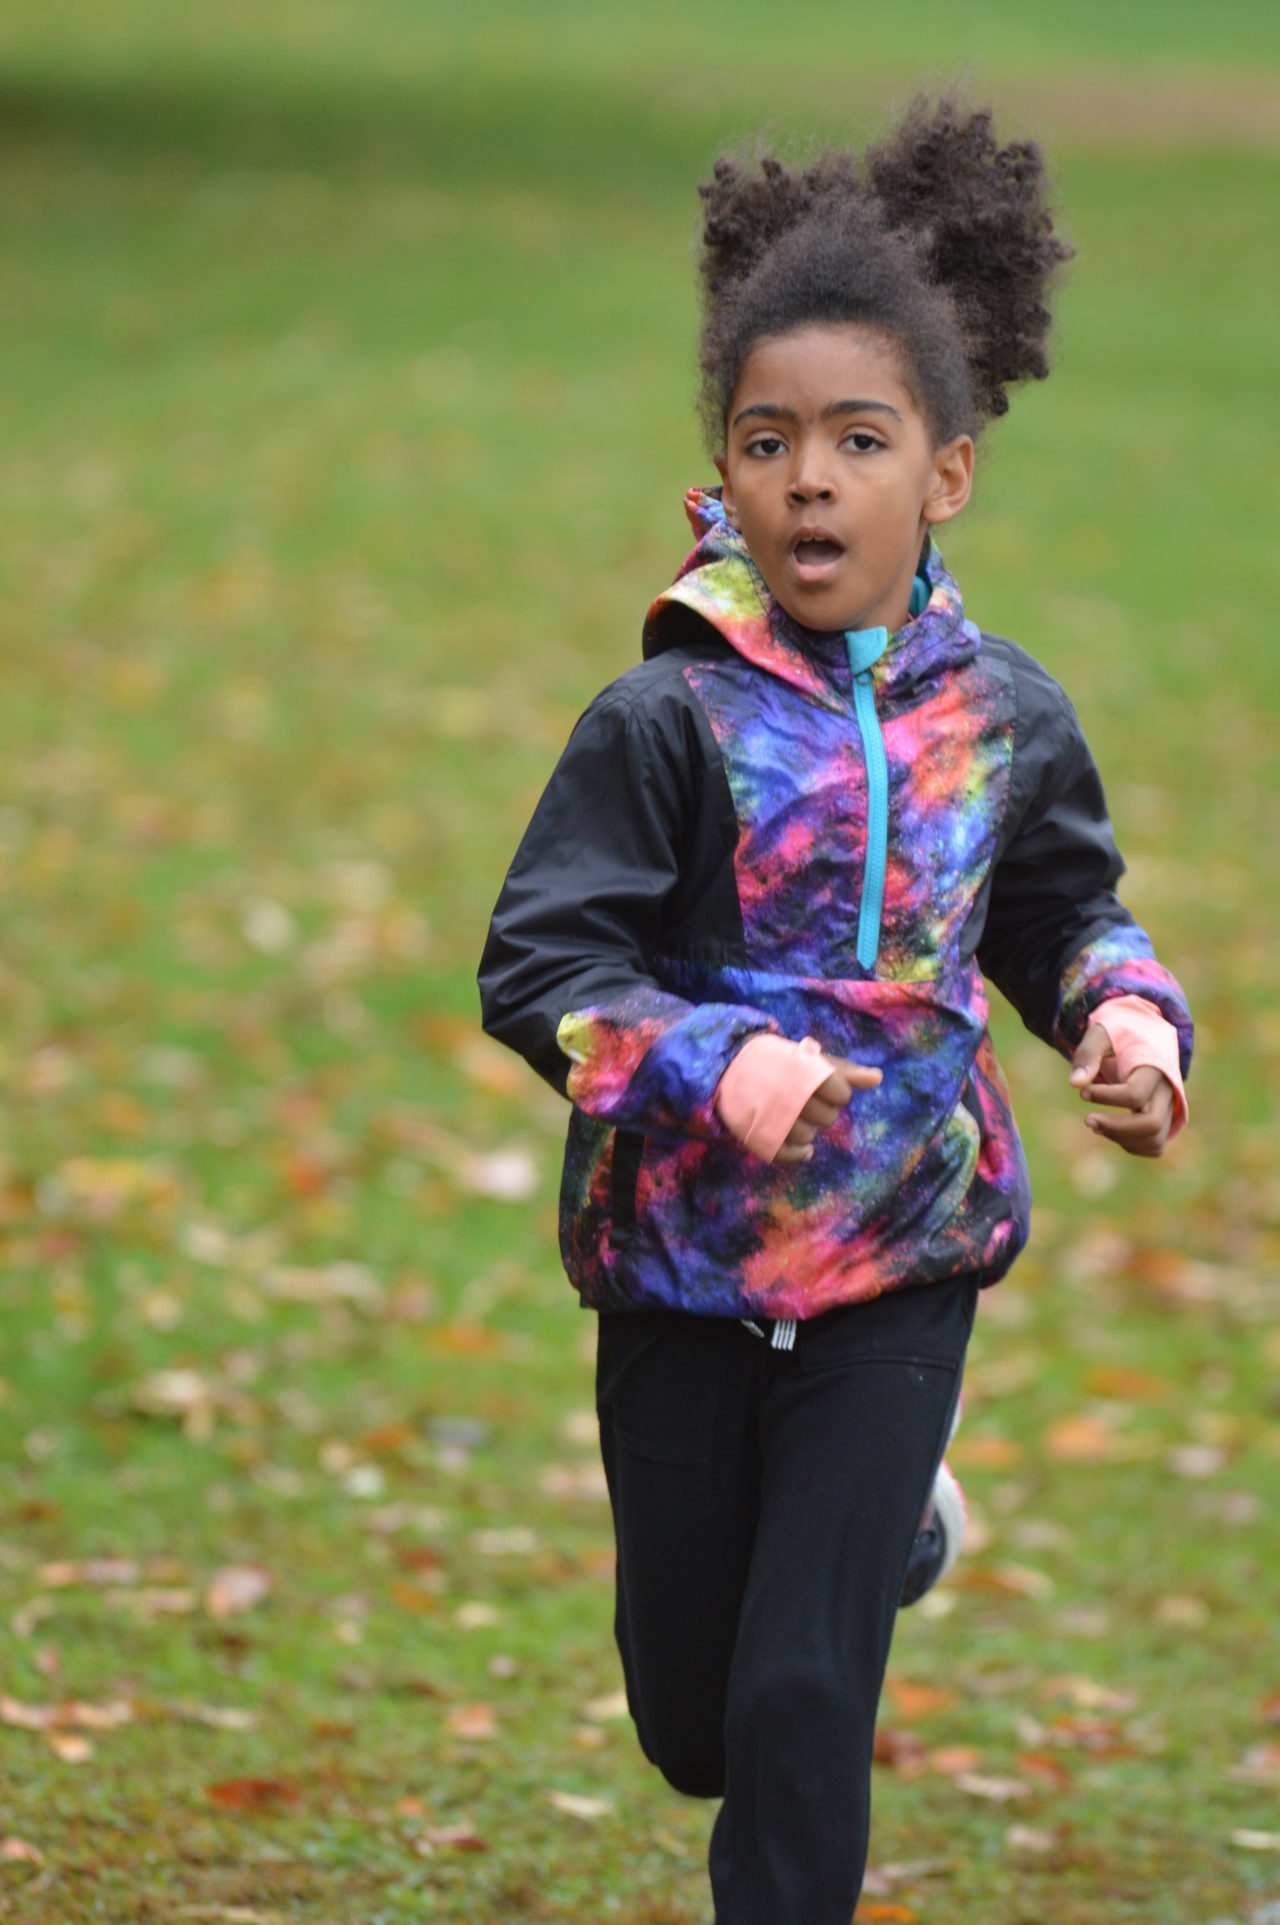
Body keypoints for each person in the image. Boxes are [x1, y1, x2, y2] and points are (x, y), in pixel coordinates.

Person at [477, 92, 1193, 1925]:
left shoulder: (1002, 715)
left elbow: (1059, 909)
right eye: (770, 437)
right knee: (698, 1717)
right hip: (683, 1264)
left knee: (803, 1707)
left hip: (904, 1245)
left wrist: (1125, 1016)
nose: (812, 477)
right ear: (725, 460)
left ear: (942, 474)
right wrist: (714, 1062)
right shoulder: (665, 721)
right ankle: (893, 1547)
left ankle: (862, 1538)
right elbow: (539, 972)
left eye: (858, 441)